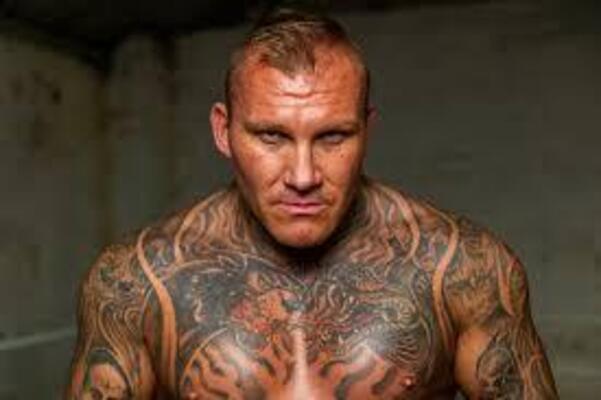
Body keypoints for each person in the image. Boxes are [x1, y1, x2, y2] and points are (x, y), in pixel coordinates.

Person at [66, 8, 559, 399]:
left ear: (367, 131)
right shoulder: (138, 282)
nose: (303, 176)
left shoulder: (461, 269)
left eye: (332, 136)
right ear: (223, 131)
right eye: (271, 136)